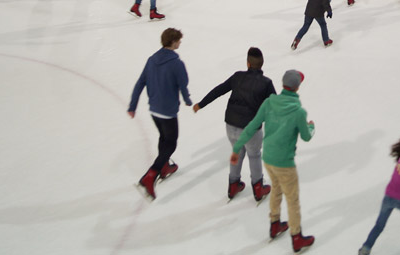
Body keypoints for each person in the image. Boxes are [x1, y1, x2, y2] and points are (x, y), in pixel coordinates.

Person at [230, 69, 315, 251]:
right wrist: (312, 127)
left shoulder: (269, 103)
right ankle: (296, 236)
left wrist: (237, 148)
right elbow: (307, 137)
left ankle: (275, 224)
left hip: (268, 158)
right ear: (297, 87)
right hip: (285, 162)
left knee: (276, 189)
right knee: (292, 199)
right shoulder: (299, 112)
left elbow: (252, 126)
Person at [193, 47, 276, 201]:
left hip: (231, 124)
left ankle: (233, 184)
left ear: (248, 63)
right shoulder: (266, 83)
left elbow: (219, 90)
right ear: (261, 64)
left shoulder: (237, 77)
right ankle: (258, 188)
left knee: (237, 152)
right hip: (250, 129)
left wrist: (201, 104)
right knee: (254, 155)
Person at [128, 27, 191, 201]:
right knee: (171, 144)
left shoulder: (151, 60)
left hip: (154, 110)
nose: (180, 43)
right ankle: (151, 174)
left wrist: (132, 105)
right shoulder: (177, 64)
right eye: (178, 40)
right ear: (172, 42)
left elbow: (140, 83)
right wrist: (187, 100)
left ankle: (164, 167)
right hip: (168, 111)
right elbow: (183, 84)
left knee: (164, 138)